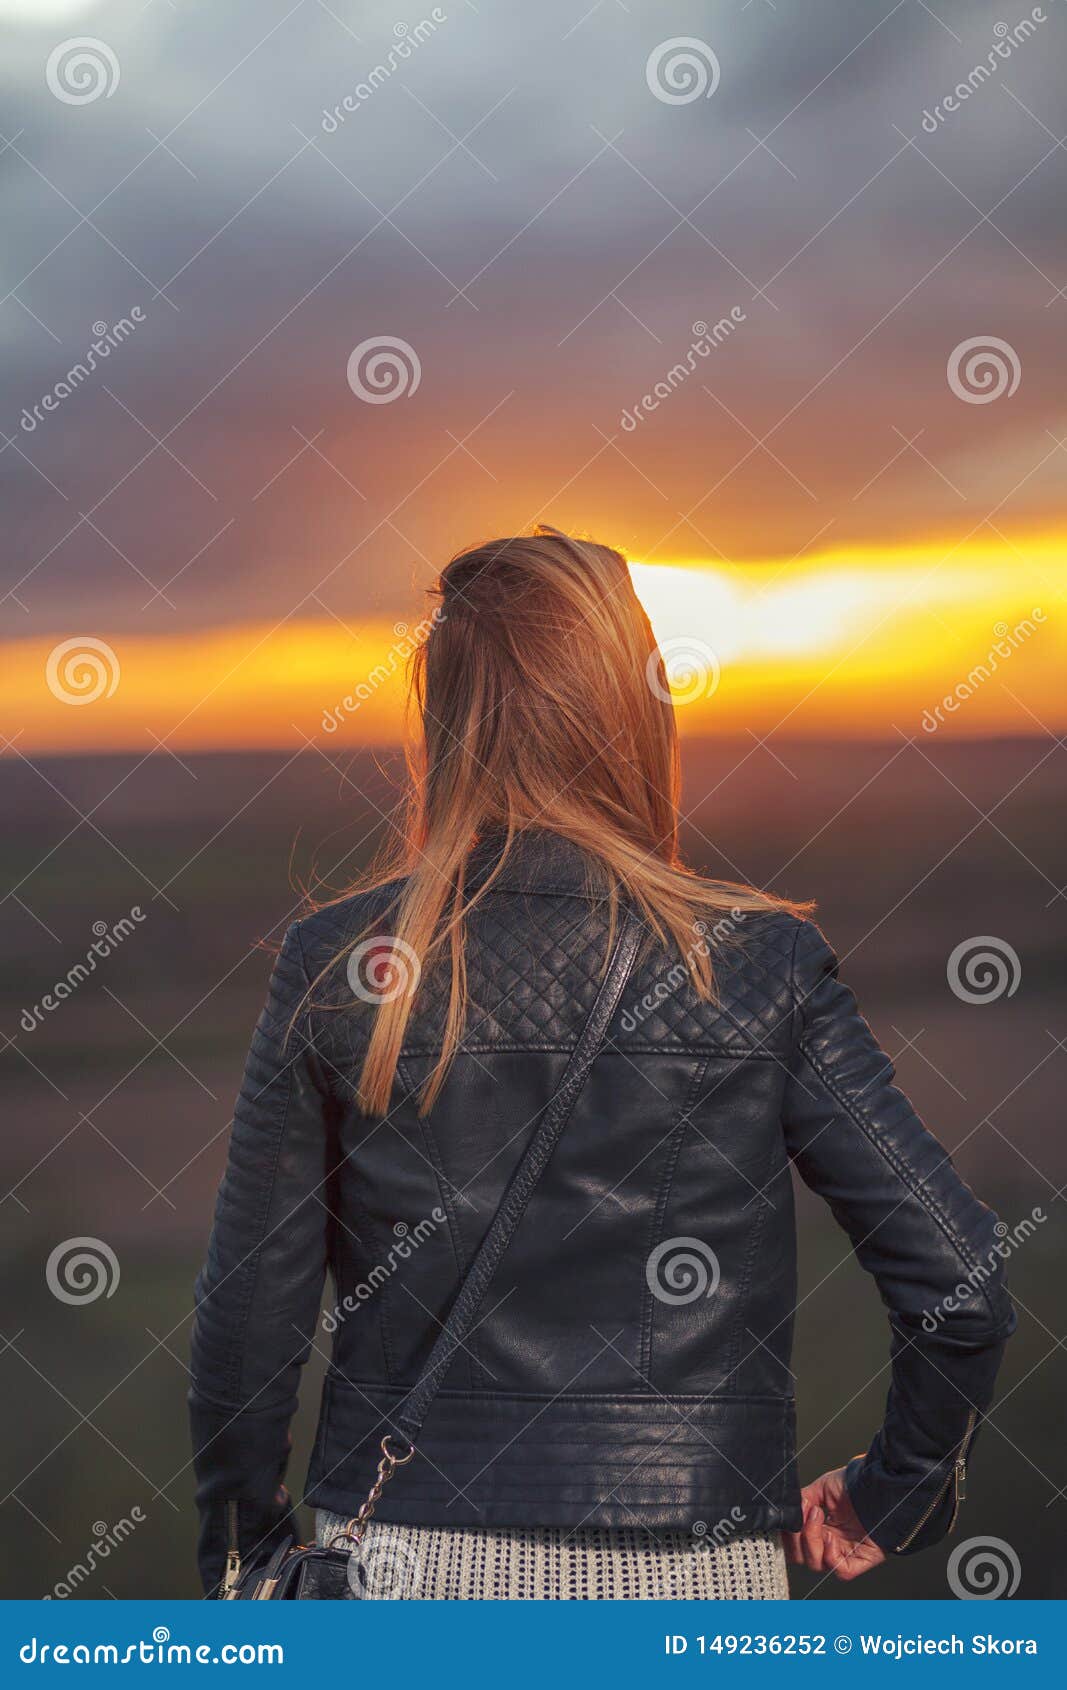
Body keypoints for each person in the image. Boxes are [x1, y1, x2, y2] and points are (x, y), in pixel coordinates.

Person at [189, 528, 1014, 1600]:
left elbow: (249, 1319)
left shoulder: (343, 967)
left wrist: (246, 1560)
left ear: (445, 717)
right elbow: (957, 1282)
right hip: (698, 1586)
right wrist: (892, 1490)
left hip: (399, 1574)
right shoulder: (758, 966)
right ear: (636, 703)